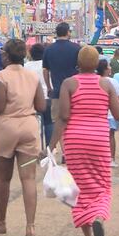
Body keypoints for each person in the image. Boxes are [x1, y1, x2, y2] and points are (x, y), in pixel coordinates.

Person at [59, 45, 119, 236]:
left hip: (75, 141)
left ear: (78, 62)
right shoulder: (106, 84)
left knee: (78, 188)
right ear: (97, 63)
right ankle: (98, 216)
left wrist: (51, 145)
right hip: (99, 140)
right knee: (102, 186)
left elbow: (64, 116)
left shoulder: (69, 83)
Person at [0, 39, 46, 236]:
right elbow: (41, 106)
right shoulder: (32, 76)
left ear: (6, 56)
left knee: (3, 178)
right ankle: (30, 226)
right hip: (28, 129)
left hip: (6, 130)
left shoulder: (1, 76)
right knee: (28, 178)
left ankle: (2, 221)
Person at [43, 21, 82, 155]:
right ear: (68, 32)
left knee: (58, 122)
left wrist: (49, 87)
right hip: (76, 92)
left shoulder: (49, 49)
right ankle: (74, 149)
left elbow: (46, 70)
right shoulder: (76, 48)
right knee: (75, 121)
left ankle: (65, 152)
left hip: (57, 92)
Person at [24, 42, 53, 149]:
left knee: (36, 125)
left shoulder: (26, 66)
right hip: (48, 97)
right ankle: (50, 149)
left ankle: (38, 148)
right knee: (49, 124)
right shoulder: (48, 65)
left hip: (33, 99)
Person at [97, 60, 119, 168]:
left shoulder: (96, 81)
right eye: (109, 66)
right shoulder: (112, 81)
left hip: (98, 114)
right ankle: (111, 159)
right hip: (110, 114)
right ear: (105, 69)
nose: (110, 68)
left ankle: (100, 159)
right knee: (110, 136)